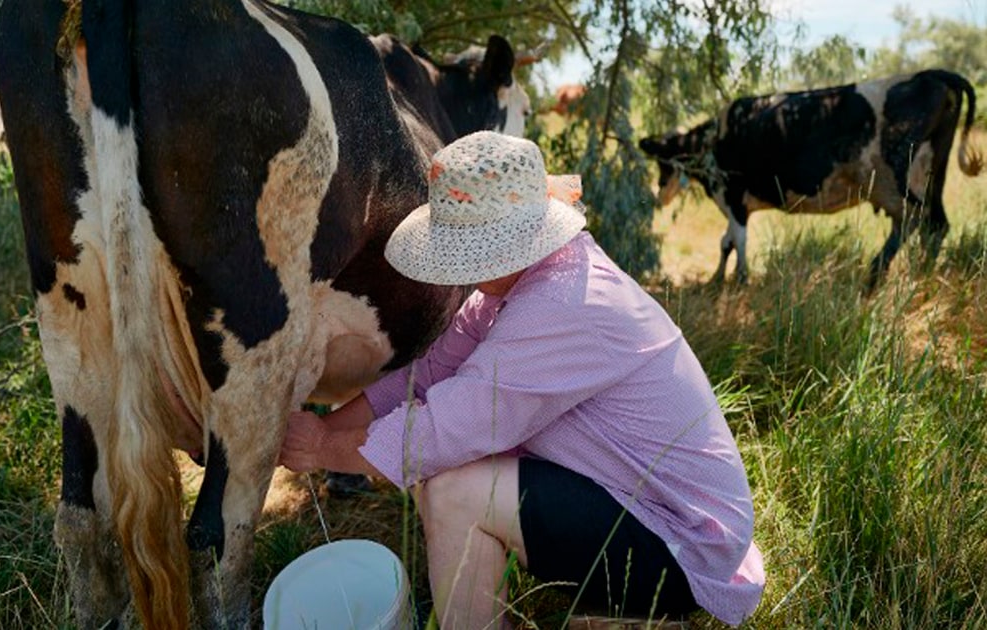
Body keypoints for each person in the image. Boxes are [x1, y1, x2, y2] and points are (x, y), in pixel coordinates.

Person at [280, 131, 764, 628]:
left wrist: (321, 448)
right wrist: (328, 428)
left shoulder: (557, 304)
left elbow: (439, 431)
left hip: (683, 545)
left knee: (454, 491)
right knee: (446, 477)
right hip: (639, 501)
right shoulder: (525, 280)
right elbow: (427, 375)